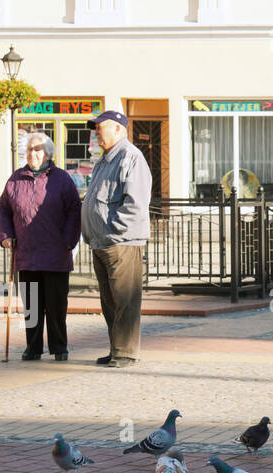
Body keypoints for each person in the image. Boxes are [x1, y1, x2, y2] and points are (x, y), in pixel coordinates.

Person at [0, 132, 81, 361]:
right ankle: (33, 347)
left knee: (56, 306)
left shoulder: (61, 179)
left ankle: (59, 347)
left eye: (38, 149)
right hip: (27, 253)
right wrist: (6, 235)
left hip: (55, 254)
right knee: (32, 306)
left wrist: (67, 240)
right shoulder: (15, 180)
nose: (33, 154)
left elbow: (74, 210)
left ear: (48, 153)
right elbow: (3, 208)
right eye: (30, 150)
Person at [81, 110, 152, 368]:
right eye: (96, 128)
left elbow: (135, 203)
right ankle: (116, 349)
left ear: (119, 129)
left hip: (121, 242)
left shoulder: (131, 157)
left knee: (126, 300)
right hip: (101, 242)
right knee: (110, 301)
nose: (96, 131)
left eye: (101, 127)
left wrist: (112, 229)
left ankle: (126, 353)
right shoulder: (104, 160)